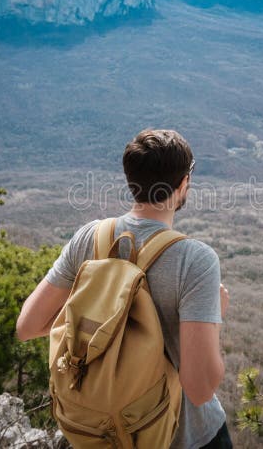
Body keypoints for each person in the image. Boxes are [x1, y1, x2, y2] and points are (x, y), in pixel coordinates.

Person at [16, 128, 232, 449]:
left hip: (102, 432)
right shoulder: (194, 260)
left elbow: (28, 326)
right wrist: (215, 314)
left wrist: (98, 318)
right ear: (184, 182)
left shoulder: (90, 237)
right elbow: (200, 389)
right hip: (183, 437)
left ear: (131, 180)